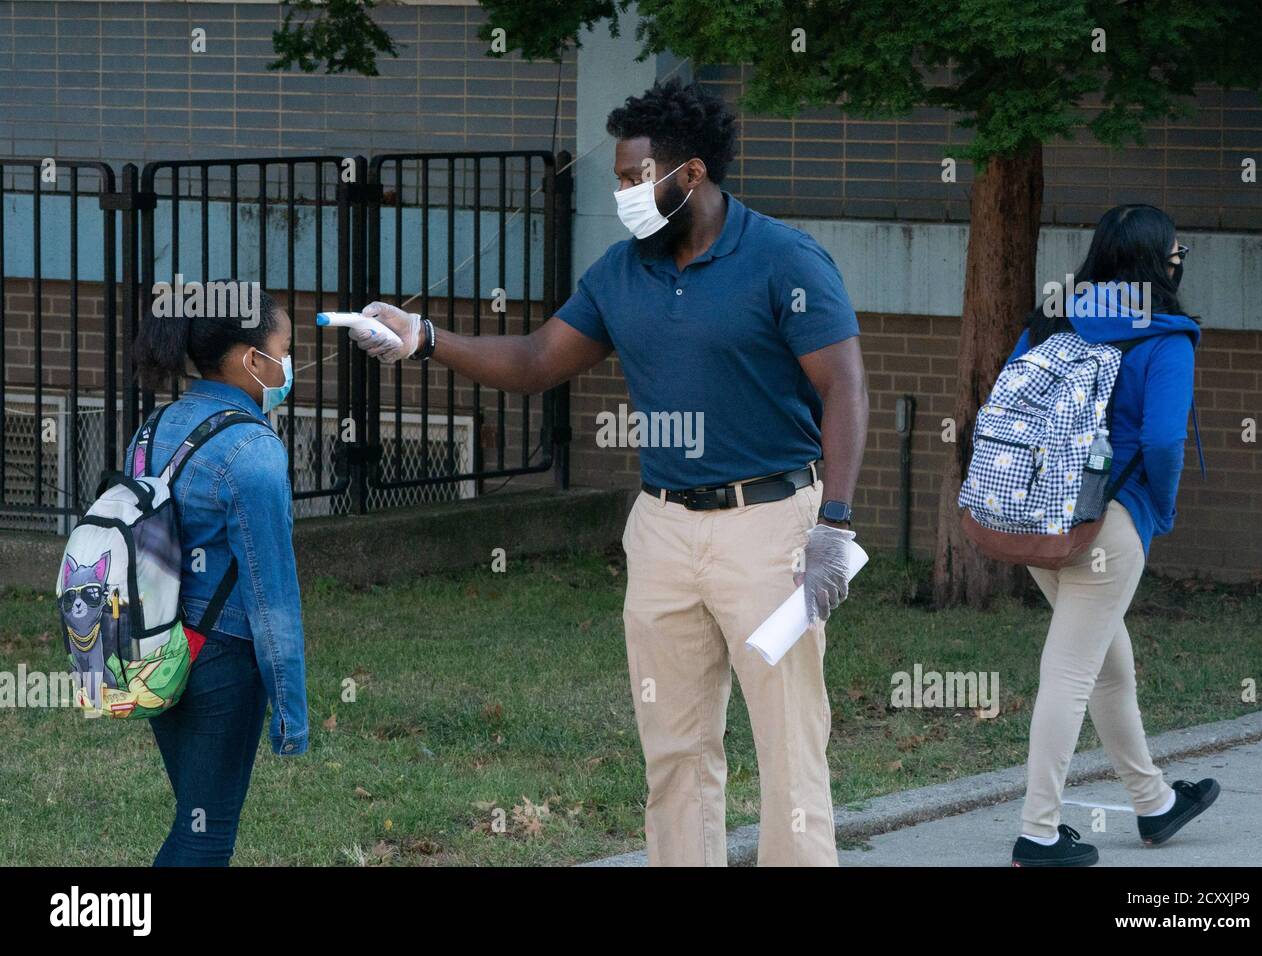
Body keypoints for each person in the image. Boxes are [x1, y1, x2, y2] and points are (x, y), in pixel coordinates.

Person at [350, 79, 869, 866]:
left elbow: (846, 388)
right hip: (662, 529)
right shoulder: (621, 273)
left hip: (770, 528)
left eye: (635, 178)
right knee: (674, 757)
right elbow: (533, 360)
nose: (624, 193)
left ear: (688, 175)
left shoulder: (783, 259)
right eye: (619, 179)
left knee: (789, 757)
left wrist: (833, 524)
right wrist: (425, 338)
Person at [1007, 205, 1219, 867]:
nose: (1181, 258)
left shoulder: (1052, 320)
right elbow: (1161, 440)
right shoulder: (1165, 335)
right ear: (1158, 262)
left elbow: (1006, 406)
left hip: (1039, 518)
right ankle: (1037, 834)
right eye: (1176, 249)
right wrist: (1157, 509)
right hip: (1112, 516)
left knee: (1106, 665)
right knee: (1072, 672)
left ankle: (1153, 803)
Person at [131, 285, 308, 866]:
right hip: (219, 664)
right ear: (250, 359)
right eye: (285, 349)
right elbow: (271, 596)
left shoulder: (154, 429)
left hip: (152, 648)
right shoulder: (253, 451)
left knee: (196, 820)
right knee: (203, 838)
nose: (290, 365)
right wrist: (291, 714)